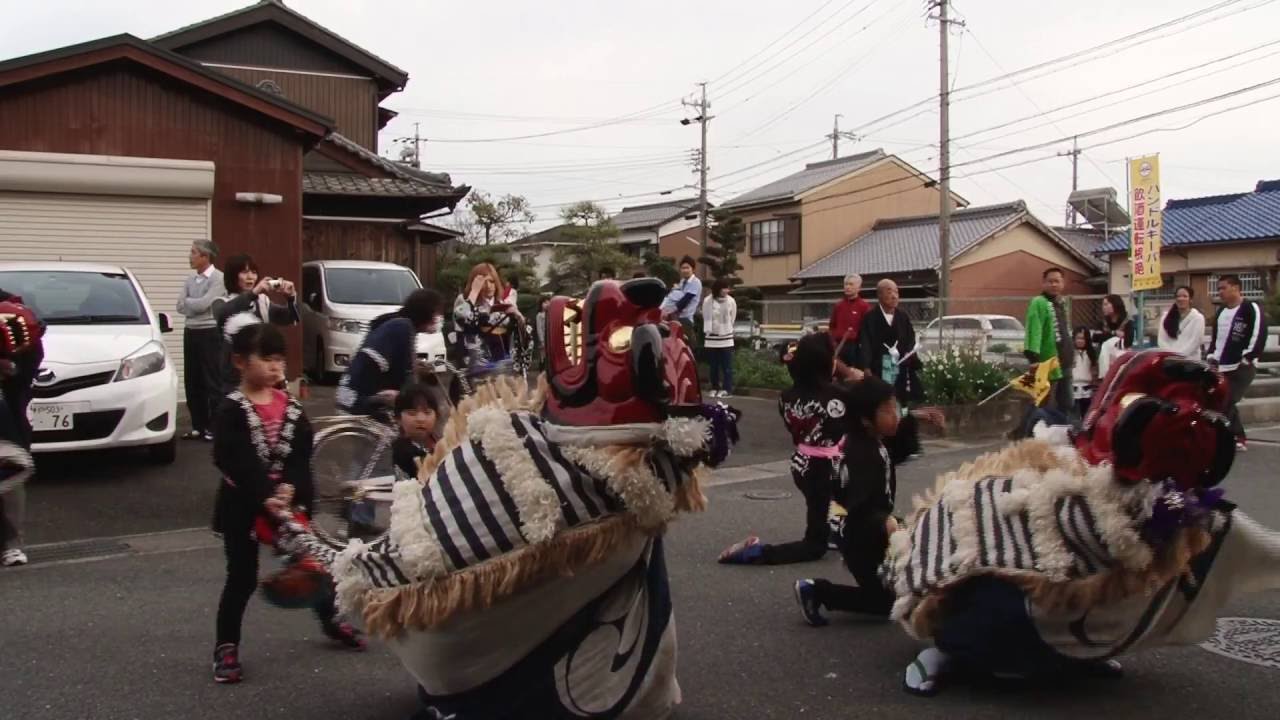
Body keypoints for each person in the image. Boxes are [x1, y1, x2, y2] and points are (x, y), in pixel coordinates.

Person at [210, 318, 364, 684]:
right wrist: (266, 494)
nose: (276, 367)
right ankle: (226, 647)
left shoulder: (290, 406)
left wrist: (292, 489)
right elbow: (234, 458)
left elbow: (300, 453)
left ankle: (331, 621)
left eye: (279, 359)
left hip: (287, 504)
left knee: (315, 566)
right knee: (242, 578)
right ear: (240, 362)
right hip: (244, 506)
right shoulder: (231, 408)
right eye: (266, 359)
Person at [793, 376, 944, 626]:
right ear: (865, 418)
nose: (895, 415)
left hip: (867, 531)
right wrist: (884, 522)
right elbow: (857, 507)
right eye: (887, 410)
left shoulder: (867, 440)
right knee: (884, 603)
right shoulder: (862, 454)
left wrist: (915, 416)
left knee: (901, 577)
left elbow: (895, 449)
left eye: (895, 407)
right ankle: (817, 591)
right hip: (860, 538)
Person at [718, 333, 844, 565]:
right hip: (825, 468)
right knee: (815, 545)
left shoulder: (786, 397)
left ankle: (838, 528)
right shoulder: (835, 396)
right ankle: (757, 553)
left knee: (834, 502)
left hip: (801, 462)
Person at [336, 289, 444, 416]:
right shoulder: (404, 327)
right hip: (361, 403)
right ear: (426, 313)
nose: (439, 318)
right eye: (437, 313)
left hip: (347, 398)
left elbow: (395, 365)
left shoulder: (393, 322)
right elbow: (405, 378)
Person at [212, 254, 299, 391]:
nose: (250, 277)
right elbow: (225, 314)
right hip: (234, 378)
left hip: (262, 374)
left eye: (253, 272)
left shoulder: (262, 301)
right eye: (244, 272)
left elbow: (291, 318)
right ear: (232, 275)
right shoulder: (221, 302)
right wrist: (254, 293)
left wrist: (291, 297)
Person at [0, 290, 42, 567]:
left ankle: (12, 544)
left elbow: (31, 355)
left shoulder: (10, 307)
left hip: (5, 413)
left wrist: (14, 367)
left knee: (9, 475)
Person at [859, 279, 925, 456]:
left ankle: (906, 444)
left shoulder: (902, 317)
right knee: (883, 404)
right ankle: (882, 443)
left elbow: (910, 340)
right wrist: (866, 366)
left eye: (896, 291)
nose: (894, 295)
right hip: (880, 367)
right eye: (889, 291)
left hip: (900, 367)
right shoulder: (871, 318)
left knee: (902, 404)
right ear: (879, 295)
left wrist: (911, 357)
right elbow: (865, 343)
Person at [1207, 274, 1267, 452]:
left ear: (1235, 288)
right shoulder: (1221, 312)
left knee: (1227, 398)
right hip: (1221, 364)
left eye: (1223, 288)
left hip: (1242, 366)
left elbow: (1259, 335)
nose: (1220, 292)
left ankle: (1237, 436)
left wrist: (1247, 357)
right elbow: (1216, 338)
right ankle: (1230, 435)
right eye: (1219, 289)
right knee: (1220, 399)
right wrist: (1211, 354)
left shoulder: (1250, 308)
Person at [178, 240, 226, 441]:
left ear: (205, 257)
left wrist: (192, 303)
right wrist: (193, 304)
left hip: (209, 333)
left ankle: (214, 427)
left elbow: (206, 304)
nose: (190, 256)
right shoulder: (190, 280)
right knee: (192, 379)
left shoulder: (218, 278)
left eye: (193, 252)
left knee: (211, 380)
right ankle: (198, 425)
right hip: (190, 332)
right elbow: (180, 306)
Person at [1023, 267, 1074, 415]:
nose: (1054, 285)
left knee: (1067, 402)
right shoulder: (1038, 302)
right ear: (1043, 283)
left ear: (1062, 284)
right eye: (1050, 281)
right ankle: (1033, 432)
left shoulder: (1062, 303)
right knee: (1044, 402)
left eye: (1057, 281)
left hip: (1065, 361)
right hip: (1047, 362)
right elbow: (1034, 329)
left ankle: (1063, 432)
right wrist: (1033, 357)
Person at [452, 263, 520, 373]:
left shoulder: (503, 304)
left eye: (492, 282)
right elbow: (461, 318)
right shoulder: (464, 300)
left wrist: (517, 316)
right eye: (484, 282)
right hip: (472, 363)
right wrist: (474, 292)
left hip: (501, 364)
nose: (489, 286)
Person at [392, 381, 439, 480]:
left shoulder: (438, 441)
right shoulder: (402, 450)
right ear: (398, 419)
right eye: (412, 413)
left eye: (427, 412)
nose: (421, 419)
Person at [829, 273, 871, 381]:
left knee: (854, 377)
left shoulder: (864, 306)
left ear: (859, 288)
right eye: (846, 284)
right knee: (837, 376)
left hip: (855, 348)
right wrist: (832, 342)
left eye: (851, 284)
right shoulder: (838, 306)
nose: (847, 287)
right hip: (839, 346)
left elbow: (867, 331)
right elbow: (832, 326)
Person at [701, 278, 737, 399]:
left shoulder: (731, 301)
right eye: (724, 288)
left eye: (728, 288)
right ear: (718, 289)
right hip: (711, 338)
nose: (727, 290)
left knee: (727, 366)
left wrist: (725, 328)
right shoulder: (707, 301)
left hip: (726, 338)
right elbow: (705, 315)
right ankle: (714, 387)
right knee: (713, 366)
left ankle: (727, 389)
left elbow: (733, 317)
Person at [660, 256, 703, 340]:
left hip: (685, 319)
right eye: (683, 268)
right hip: (676, 318)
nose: (685, 270)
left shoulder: (695, 282)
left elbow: (685, 300)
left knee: (685, 344)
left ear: (693, 269)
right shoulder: (683, 281)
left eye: (687, 268)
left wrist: (667, 312)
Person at [1158, 285, 1206, 359]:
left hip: (1191, 362)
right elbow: (1161, 340)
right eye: (1178, 296)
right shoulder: (1165, 318)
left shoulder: (1198, 318)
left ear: (1191, 299)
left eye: (1185, 296)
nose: (1181, 299)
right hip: (1169, 361)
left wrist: (1179, 356)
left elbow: (1195, 342)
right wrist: (1170, 355)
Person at [1070, 327, 1098, 418]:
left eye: (1083, 338)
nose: (1080, 341)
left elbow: (1095, 370)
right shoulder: (1070, 353)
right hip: (1072, 388)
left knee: (1086, 415)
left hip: (1087, 390)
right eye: (1078, 338)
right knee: (1072, 416)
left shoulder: (1091, 353)